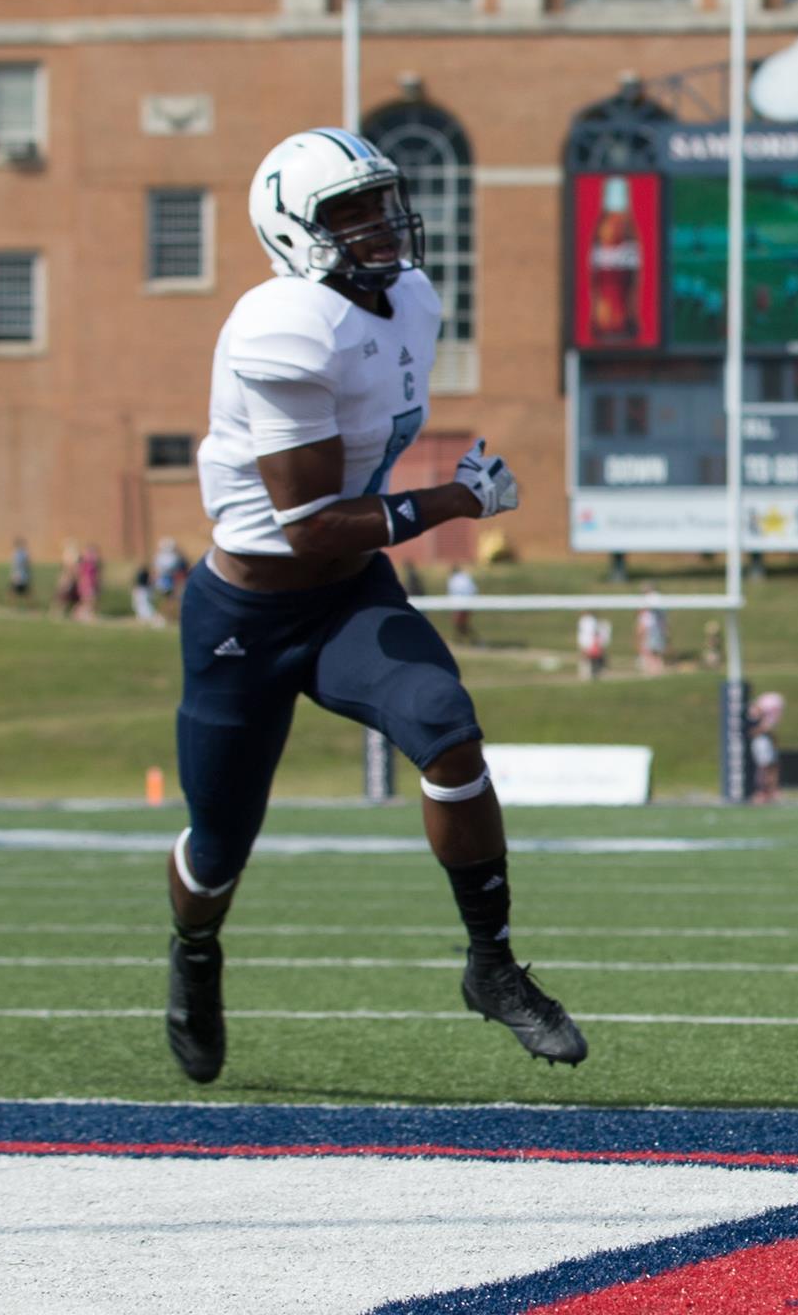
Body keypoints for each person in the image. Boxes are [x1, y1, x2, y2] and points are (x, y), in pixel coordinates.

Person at [165, 127, 583, 1088]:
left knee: (449, 735)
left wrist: (437, 500)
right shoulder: (281, 327)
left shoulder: (412, 297)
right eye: (347, 211)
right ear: (290, 231)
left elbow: (343, 526)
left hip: (349, 596)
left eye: (382, 202)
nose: (380, 225)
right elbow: (310, 525)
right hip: (247, 614)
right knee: (219, 847)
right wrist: (455, 501)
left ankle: (491, 962)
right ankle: (193, 952)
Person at [635, 585, 668, 675]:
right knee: (651, 650)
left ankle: (655, 669)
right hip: (652, 627)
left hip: (652, 628)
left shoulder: (653, 598)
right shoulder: (652, 599)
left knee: (651, 650)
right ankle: (654, 669)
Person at [446, 563, 479, 645]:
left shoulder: (454, 579)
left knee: (459, 623)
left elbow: (452, 592)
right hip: (467, 603)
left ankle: (471, 640)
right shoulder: (465, 577)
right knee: (460, 623)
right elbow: (473, 589)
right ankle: (461, 640)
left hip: (460, 604)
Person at [575, 610, 610, 680]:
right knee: (586, 656)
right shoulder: (584, 620)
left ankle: (591, 672)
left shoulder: (590, 620)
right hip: (586, 641)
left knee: (590, 656)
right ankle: (587, 672)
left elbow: (593, 631)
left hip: (589, 641)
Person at [8, 535, 33, 606]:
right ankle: (13, 606)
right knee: (14, 592)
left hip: (20, 576)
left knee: (22, 592)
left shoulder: (21, 553)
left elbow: (18, 565)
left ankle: (29, 606)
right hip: (20, 576)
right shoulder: (19, 553)